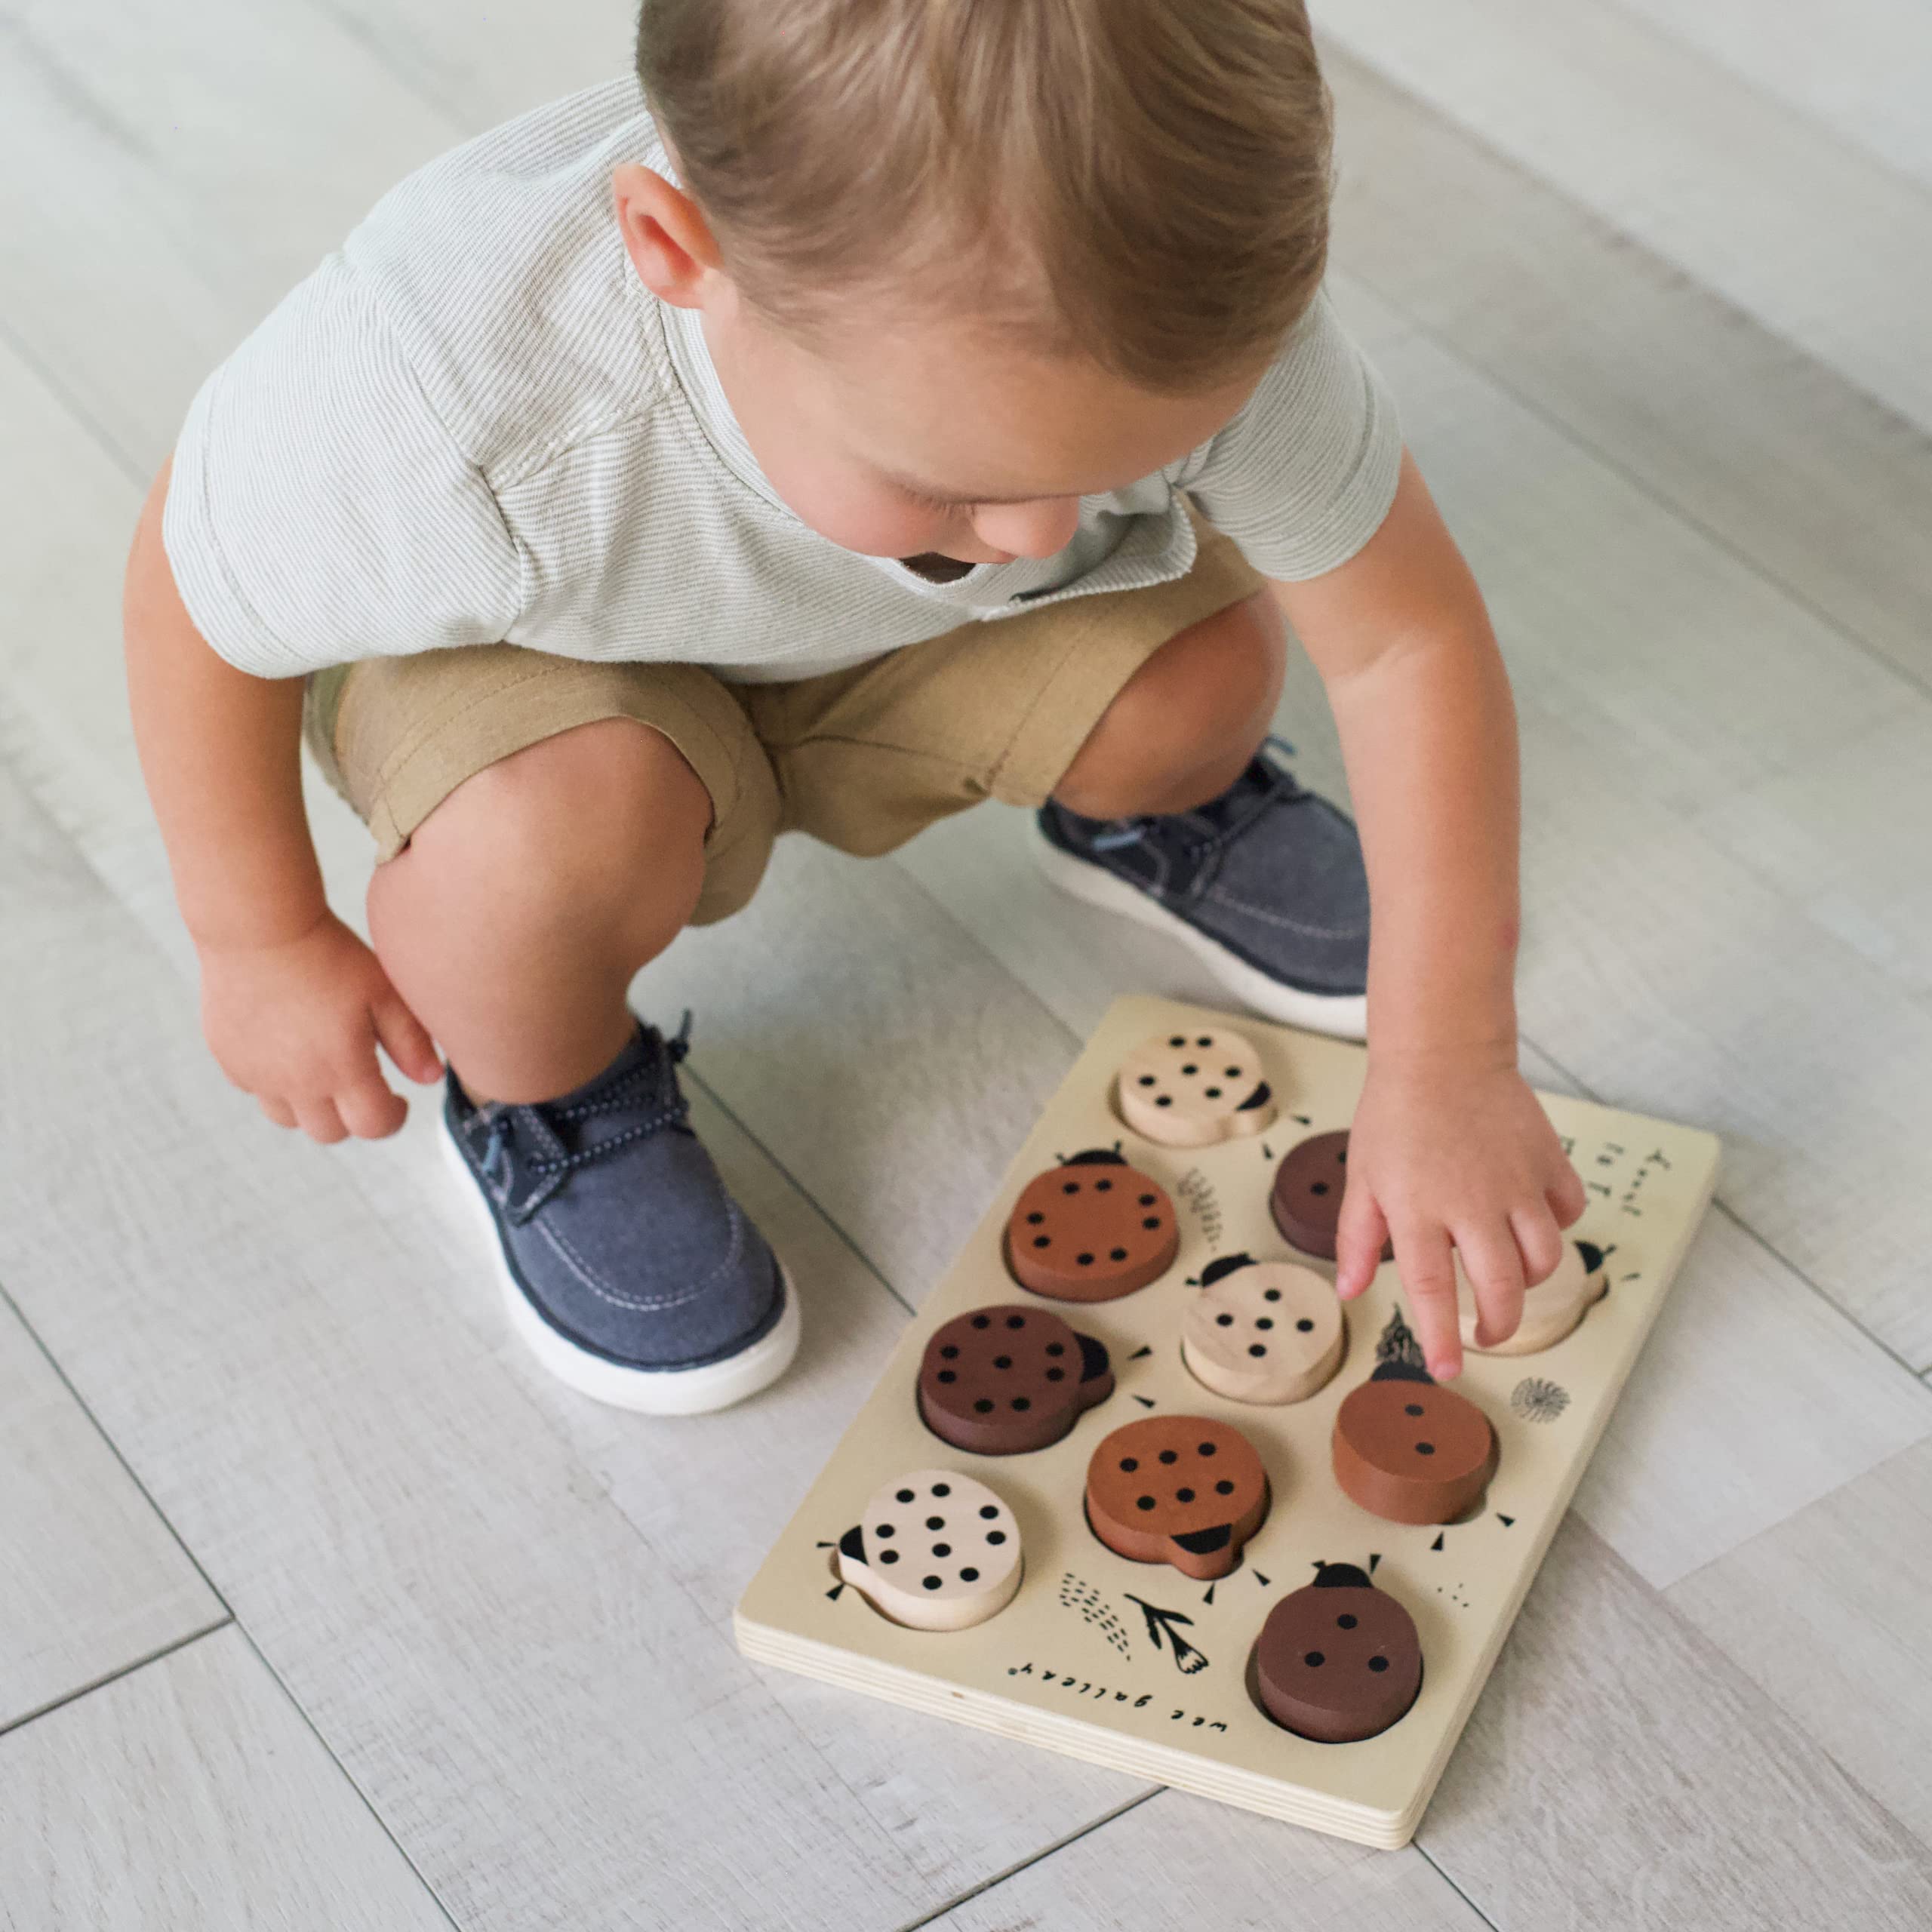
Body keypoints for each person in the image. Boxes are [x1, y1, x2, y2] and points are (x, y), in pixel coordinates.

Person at [122, 0, 1586, 1415]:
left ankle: (1156, 809)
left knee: (1199, 656)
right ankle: (544, 1095)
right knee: (534, 857)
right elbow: (193, 586)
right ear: (670, 249)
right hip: (551, 667)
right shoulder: (446, 390)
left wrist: (1444, 1057)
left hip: (893, 637)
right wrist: (254, 931)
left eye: (1120, 459)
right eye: (955, 478)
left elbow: (1400, 643)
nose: (1035, 529)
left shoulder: (1174, 291)